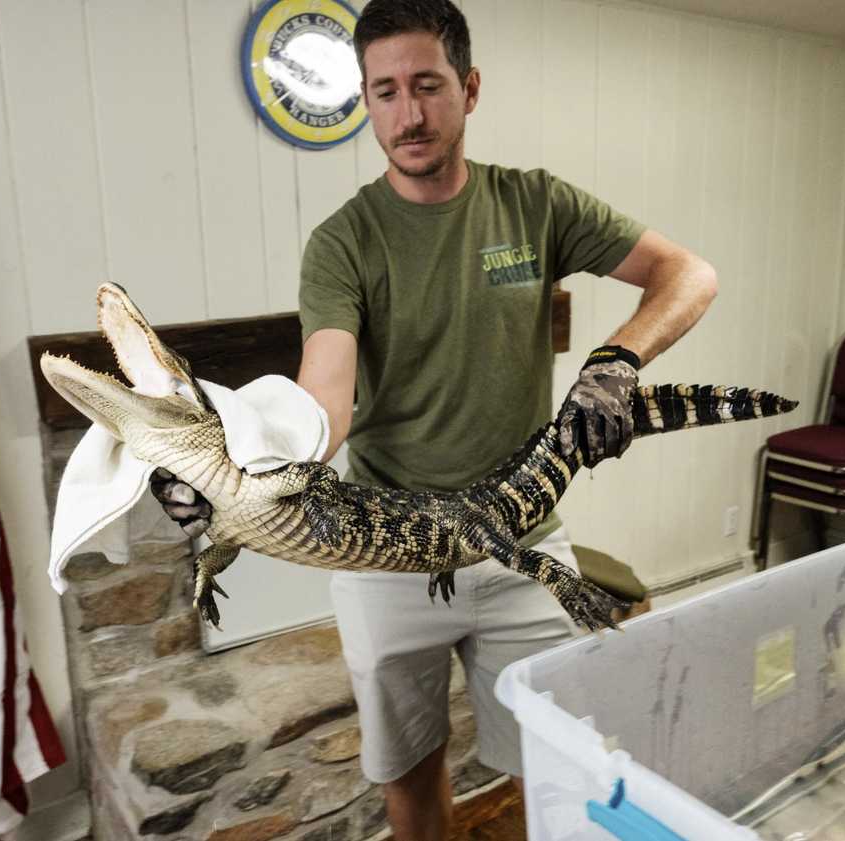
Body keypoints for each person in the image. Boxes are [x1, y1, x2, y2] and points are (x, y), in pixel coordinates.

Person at [155, 2, 716, 838]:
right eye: (384, 91)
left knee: (554, 762)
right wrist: (235, 477)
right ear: (366, 101)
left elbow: (688, 273)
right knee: (411, 775)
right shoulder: (342, 243)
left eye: (427, 85)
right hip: (389, 560)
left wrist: (617, 363)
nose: (407, 114)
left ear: (470, 89)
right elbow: (324, 399)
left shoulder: (535, 204)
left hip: (525, 544)